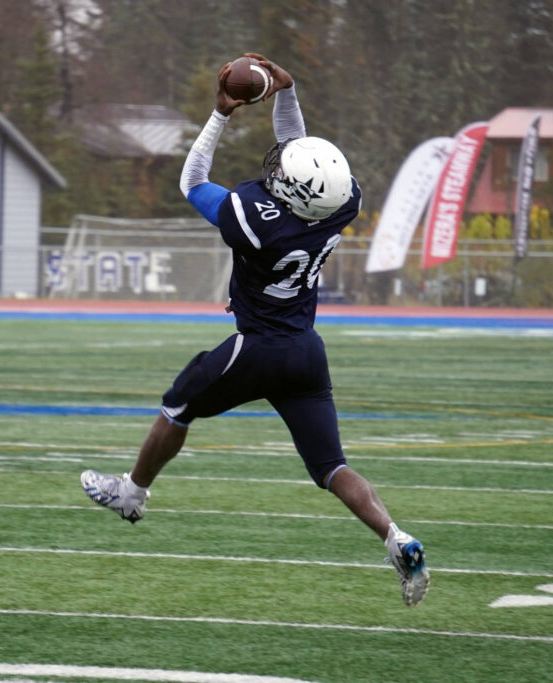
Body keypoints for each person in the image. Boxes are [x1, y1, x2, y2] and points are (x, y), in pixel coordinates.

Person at [80, 54, 429, 607]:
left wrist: (221, 114)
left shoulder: (253, 218)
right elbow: (303, 154)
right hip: (306, 351)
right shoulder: (341, 205)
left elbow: (191, 179)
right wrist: (286, 89)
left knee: (177, 406)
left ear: (290, 193)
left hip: (257, 346)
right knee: (331, 465)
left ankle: (132, 493)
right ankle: (397, 538)